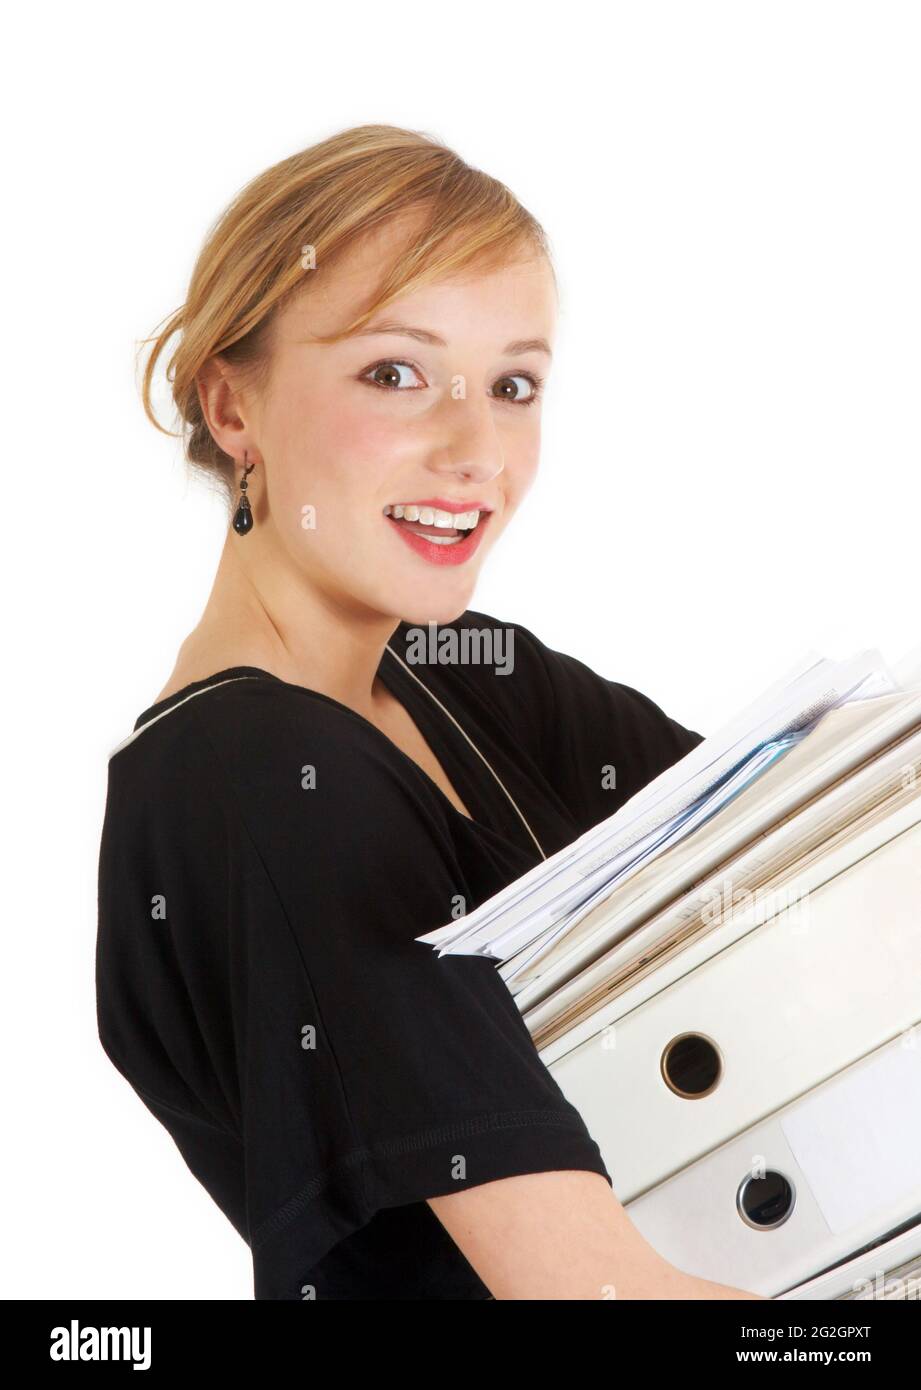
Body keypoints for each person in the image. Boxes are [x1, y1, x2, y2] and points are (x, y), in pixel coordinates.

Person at [96, 123, 764, 1301]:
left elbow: (817, 846)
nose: (478, 451)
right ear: (233, 407)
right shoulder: (254, 777)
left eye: (513, 384)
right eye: (396, 372)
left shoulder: (464, 671)